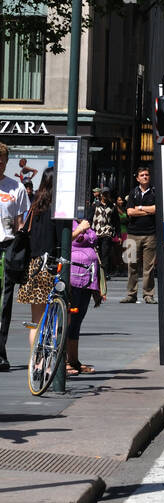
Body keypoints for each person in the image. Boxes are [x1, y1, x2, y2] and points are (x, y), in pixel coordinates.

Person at [16, 170, 59, 352]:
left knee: (37, 321)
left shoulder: (35, 206)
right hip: (51, 266)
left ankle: (36, 362)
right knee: (56, 319)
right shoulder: (57, 208)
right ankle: (51, 363)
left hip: (34, 266)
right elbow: (61, 239)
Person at [0, 142, 30, 371]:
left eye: (1, 161)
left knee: (4, 303)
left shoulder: (16, 188)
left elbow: (22, 222)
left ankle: (1, 352)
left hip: (7, 248)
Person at [66, 217, 103, 373]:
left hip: (88, 277)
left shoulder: (82, 219)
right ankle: (66, 362)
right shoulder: (67, 221)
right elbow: (65, 241)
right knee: (69, 320)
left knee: (77, 320)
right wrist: (80, 229)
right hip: (73, 277)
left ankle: (74, 360)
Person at [122, 165, 158, 304]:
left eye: (146, 175)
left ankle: (148, 294)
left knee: (148, 267)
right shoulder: (133, 193)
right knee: (131, 265)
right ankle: (131, 294)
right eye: (142, 175)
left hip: (150, 234)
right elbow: (130, 212)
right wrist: (148, 211)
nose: (145, 177)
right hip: (132, 235)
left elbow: (157, 209)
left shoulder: (155, 192)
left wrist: (140, 208)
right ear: (137, 178)